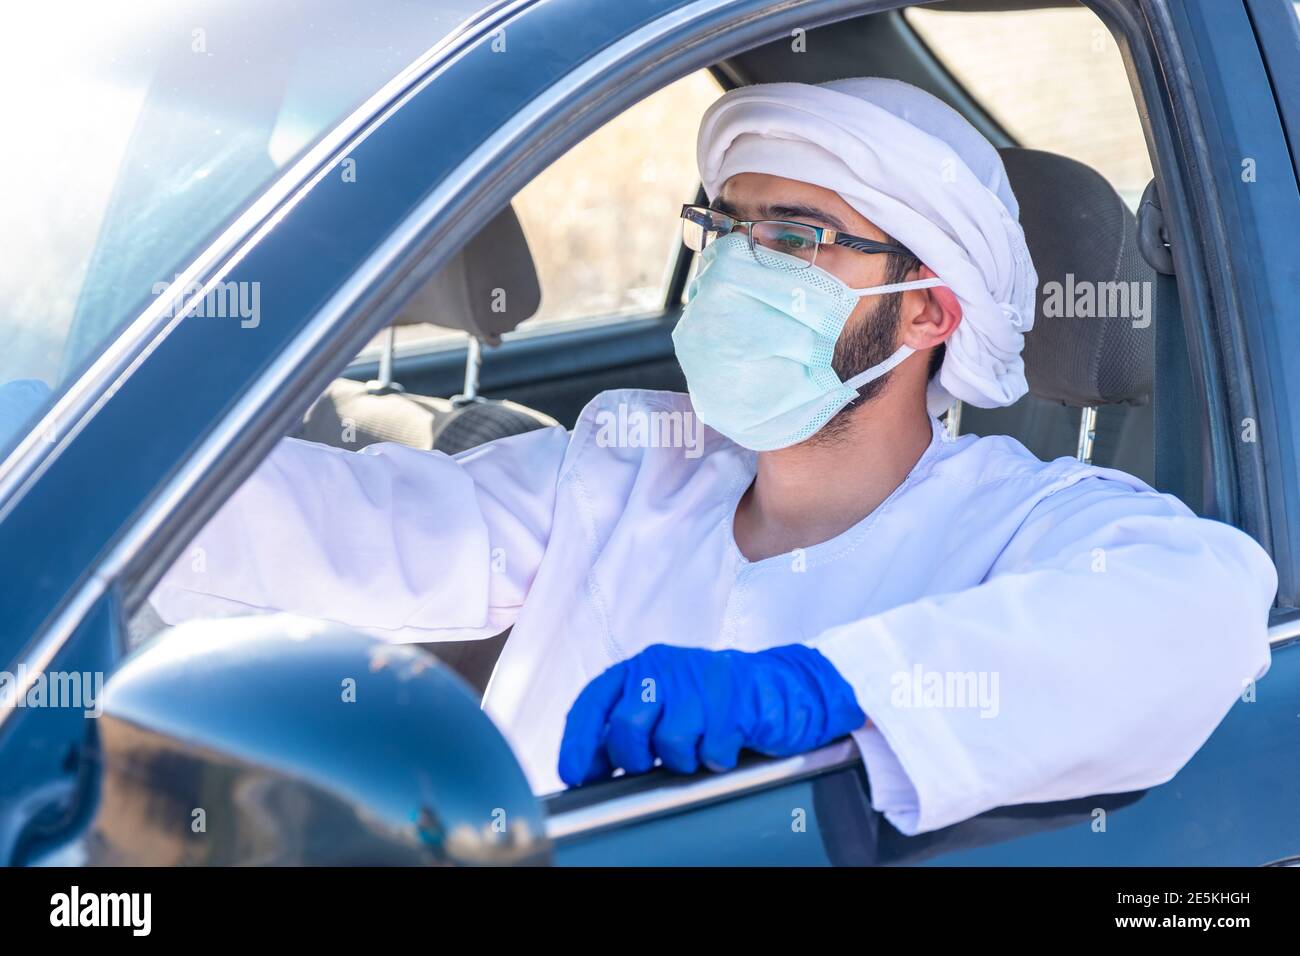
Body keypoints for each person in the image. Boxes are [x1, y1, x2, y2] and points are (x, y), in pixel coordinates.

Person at [150, 78, 1274, 836]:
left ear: (929, 309)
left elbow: (1204, 603)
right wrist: (98, 476)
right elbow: (356, 529)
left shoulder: (1016, 523)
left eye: (792, 236)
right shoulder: (631, 462)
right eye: (728, 227)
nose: (739, 268)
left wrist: (824, 688)